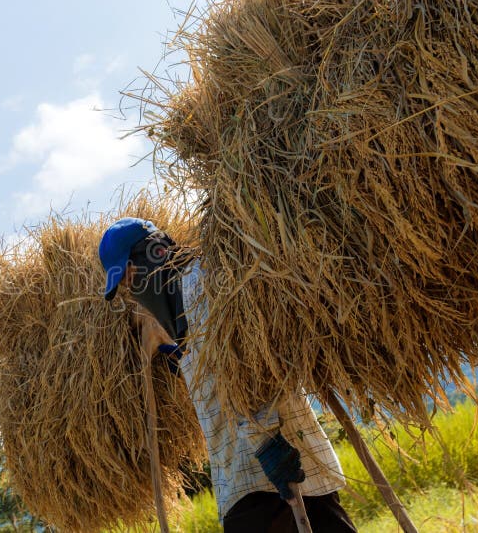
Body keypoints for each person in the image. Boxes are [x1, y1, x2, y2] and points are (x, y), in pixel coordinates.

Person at [99, 217, 356, 532]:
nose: (131, 288)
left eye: (129, 276)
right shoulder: (182, 303)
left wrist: (267, 443)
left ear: (153, 254)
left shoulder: (201, 287)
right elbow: (214, 376)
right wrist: (175, 361)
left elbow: (246, 368)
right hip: (259, 469)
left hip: (264, 467)